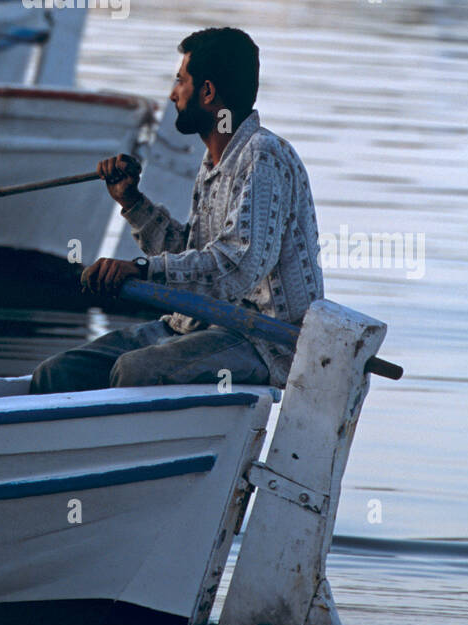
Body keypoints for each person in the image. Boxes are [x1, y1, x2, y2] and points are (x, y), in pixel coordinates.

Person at [30, 27, 324, 394]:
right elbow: (194, 257)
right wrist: (133, 203)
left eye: (180, 81)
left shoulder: (263, 156)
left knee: (135, 372)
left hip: (260, 340)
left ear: (207, 92)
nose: (172, 95)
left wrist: (139, 270)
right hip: (196, 324)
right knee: (59, 372)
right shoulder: (214, 161)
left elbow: (236, 268)